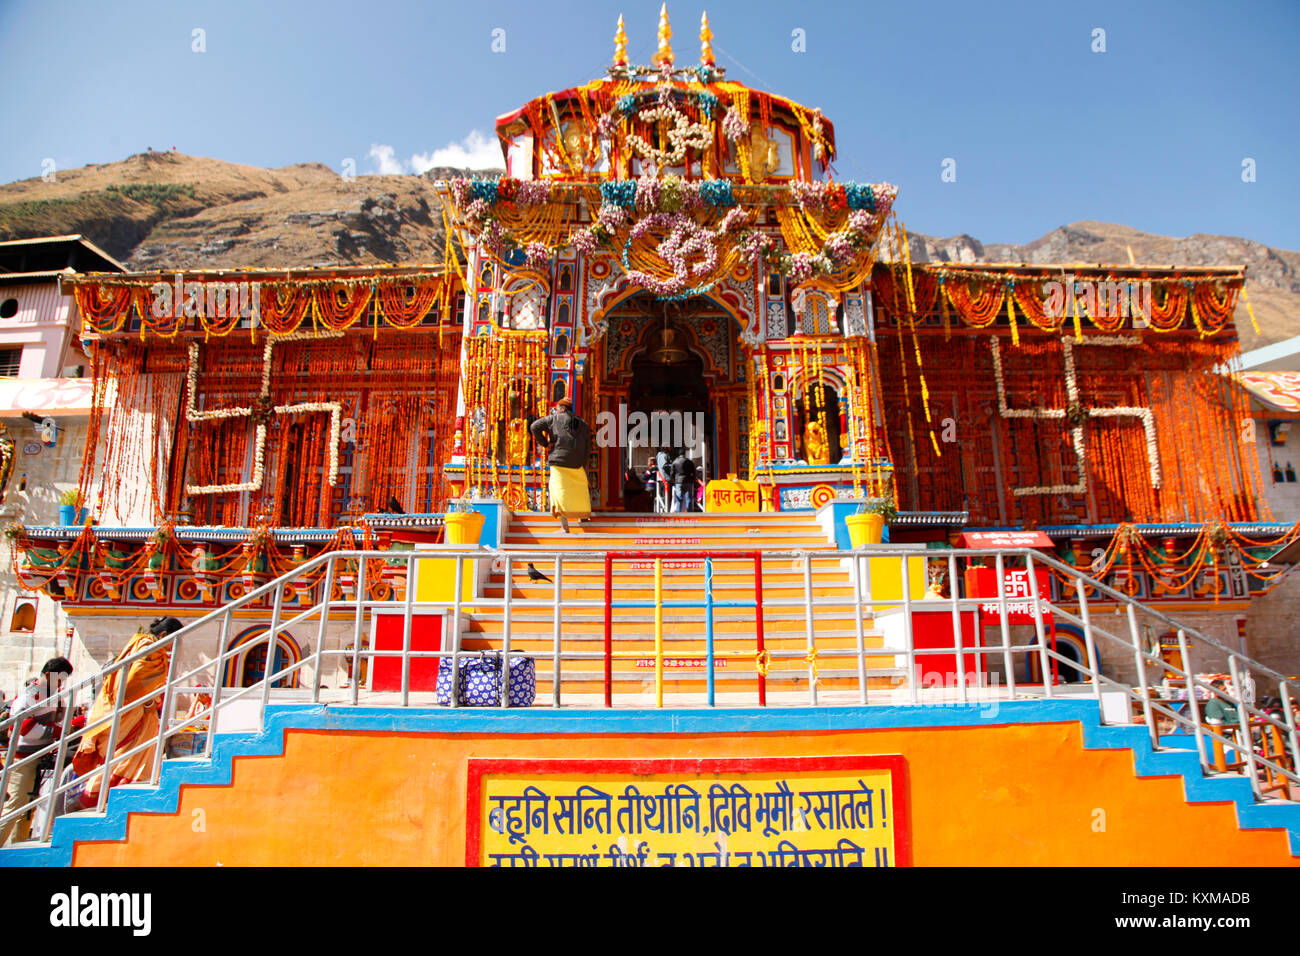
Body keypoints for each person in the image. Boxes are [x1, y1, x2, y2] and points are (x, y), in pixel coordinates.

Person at [73, 617, 180, 809]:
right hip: (130, 713)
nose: (172, 647)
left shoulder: (137, 643)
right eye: (173, 640)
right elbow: (132, 687)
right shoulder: (150, 649)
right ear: (163, 635)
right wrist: (150, 701)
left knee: (118, 758)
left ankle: (101, 800)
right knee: (122, 757)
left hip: (121, 710)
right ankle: (90, 801)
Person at [1, 656, 73, 845]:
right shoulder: (30, 696)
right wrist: (58, 730)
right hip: (22, 759)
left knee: (26, 810)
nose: (61, 685)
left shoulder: (50, 696)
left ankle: (18, 847)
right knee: (15, 807)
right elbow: (24, 728)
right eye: (60, 680)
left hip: (38, 756)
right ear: (49, 675)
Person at [529, 398, 592, 533]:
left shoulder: (553, 419)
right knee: (579, 489)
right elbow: (588, 446)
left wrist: (545, 444)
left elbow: (534, 426)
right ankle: (583, 518)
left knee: (560, 491)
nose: (556, 410)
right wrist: (583, 461)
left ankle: (565, 527)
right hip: (577, 463)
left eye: (557, 408)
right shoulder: (583, 424)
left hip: (559, 460)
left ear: (562, 408)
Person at [669, 448, 699, 513]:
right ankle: (689, 513)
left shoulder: (675, 461)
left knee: (679, 498)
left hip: (678, 482)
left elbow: (672, 473)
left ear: (679, 454)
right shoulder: (689, 461)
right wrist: (693, 479)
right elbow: (694, 471)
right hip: (688, 481)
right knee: (689, 498)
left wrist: (673, 481)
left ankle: (678, 513)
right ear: (684, 454)